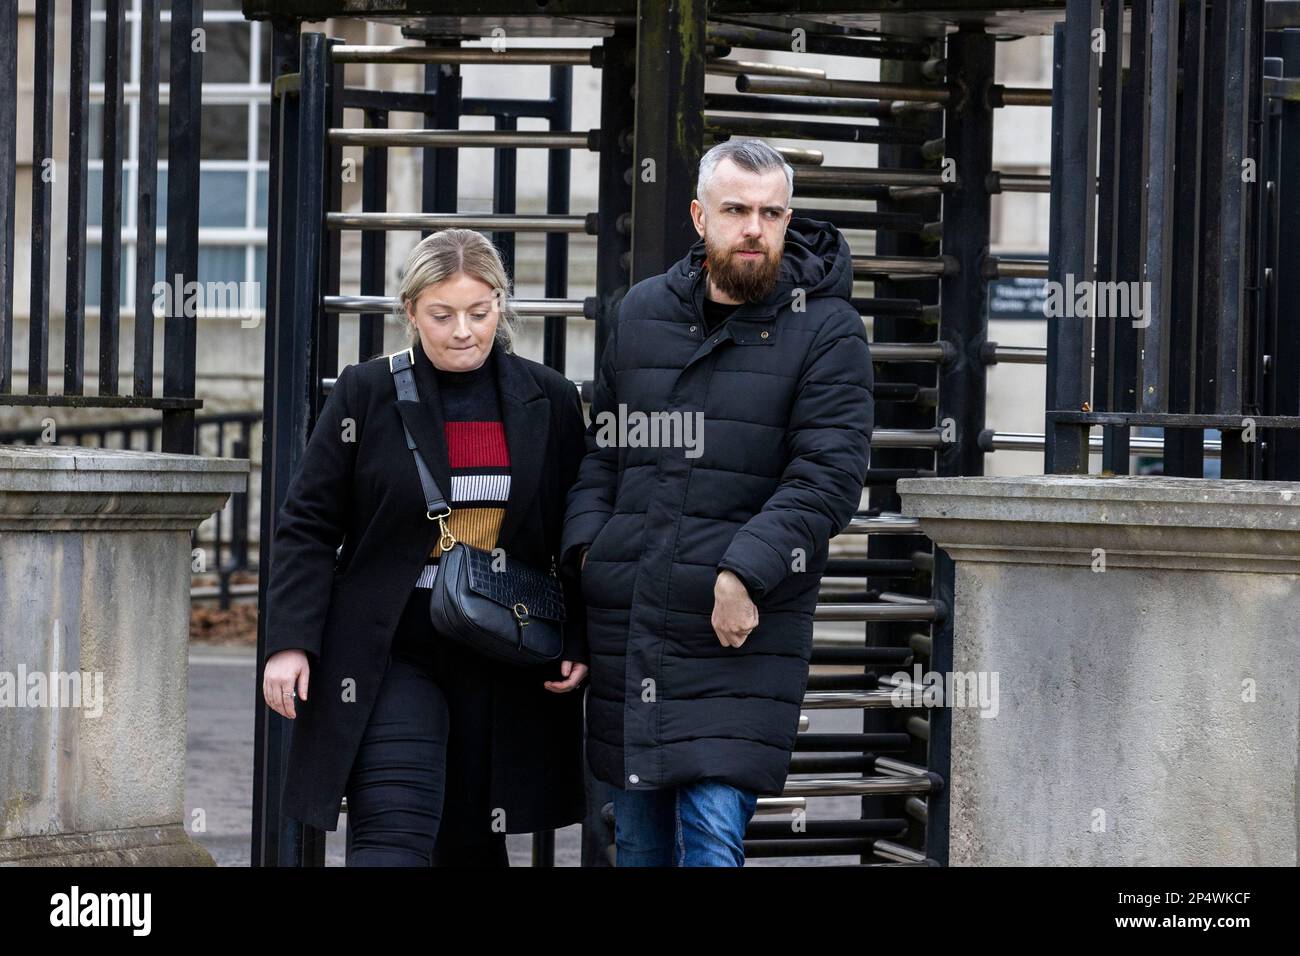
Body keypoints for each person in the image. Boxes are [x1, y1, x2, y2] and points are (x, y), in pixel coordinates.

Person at [561, 138, 874, 867]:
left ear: (788, 219)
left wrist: (743, 573)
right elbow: (602, 454)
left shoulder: (826, 330)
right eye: (736, 210)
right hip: (631, 622)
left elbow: (827, 476)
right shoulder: (640, 314)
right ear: (702, 217)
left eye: (771, 213)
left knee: (709, 838)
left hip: (740, 630)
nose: (754, 229)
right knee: (638, 846)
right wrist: (587, 556)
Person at [261, 228, 589, 866]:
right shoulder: (368, 391)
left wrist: (577, 633)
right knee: (393, 834)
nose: (462, 330)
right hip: (390, 651)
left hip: (500, 648)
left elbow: (578, 524)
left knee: (471, 845)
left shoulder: (546, 397)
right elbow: (307, 522)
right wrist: (290, 641)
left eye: (479, 310)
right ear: (410, 312)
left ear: (501, 304)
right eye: (441, 314)